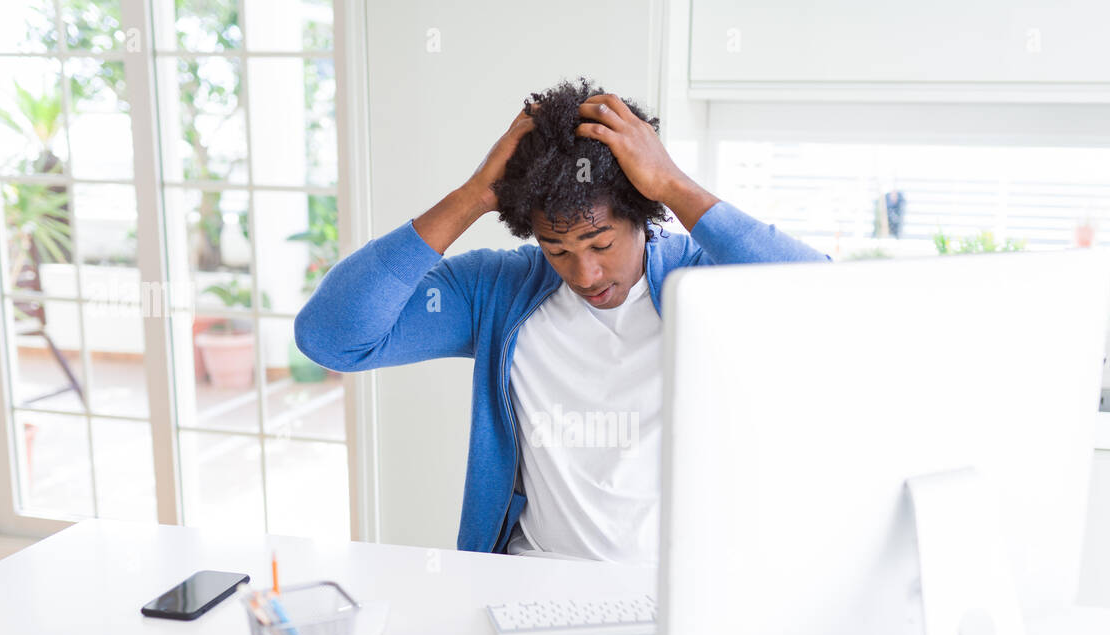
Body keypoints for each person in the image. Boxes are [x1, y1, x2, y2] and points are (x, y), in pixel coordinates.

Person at [294, 77, 828, 563]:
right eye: (557, 249)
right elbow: (332, 338)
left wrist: (673, 184)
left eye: (601, 243)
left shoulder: (704, 282)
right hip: (532, 577)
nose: (586, 272)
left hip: (675, 589)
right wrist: (472, 197)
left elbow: (826, 303)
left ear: (643, 213)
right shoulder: (497, 292)